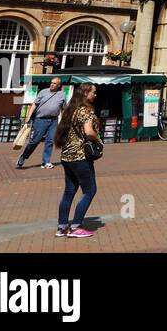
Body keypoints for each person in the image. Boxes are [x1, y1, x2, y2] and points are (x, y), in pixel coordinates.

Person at [53, 83, 100, 238]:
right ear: (86, 93)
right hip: (80, 156)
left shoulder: (71, 109)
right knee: (89, 190)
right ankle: (76, 226)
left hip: (67, 155)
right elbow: (88, 132)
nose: (95, 95)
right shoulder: (86, 110)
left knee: (69, 190)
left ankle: (62, 226)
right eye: (93, 92)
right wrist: (97, 138)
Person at [17, 76, 65, 170]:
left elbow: (62, 108)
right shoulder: (43, 92)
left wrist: (63, 121)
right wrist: (28, 116)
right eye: (51, 82)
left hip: (53, 121)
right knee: (35, 141)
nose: (52, 84)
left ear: (59, 85)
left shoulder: (62, 94)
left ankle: (45, 162)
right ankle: (23, 156)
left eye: (54, 83)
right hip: (41, 120)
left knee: (50, 141)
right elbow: (35, 104)